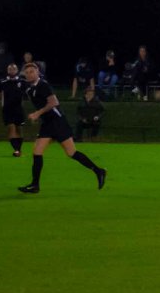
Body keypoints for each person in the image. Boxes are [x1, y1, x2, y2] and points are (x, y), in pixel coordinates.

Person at [15, 62, 106, 196]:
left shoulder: (43, 85)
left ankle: (98, 171)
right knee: (37, 152)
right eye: (27, 72)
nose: (29, 74)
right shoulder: (30, 89)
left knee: (71, 153)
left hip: (58, 122)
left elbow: (54, 102)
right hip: (48, 123)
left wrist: (37, 113)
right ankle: (35, 185)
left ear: (38, 72)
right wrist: (39, 116)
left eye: (32, 72)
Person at [0, 62, 25, 155]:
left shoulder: (22, 82)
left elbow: (31, 93)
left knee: (19, 129)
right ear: (7, 70)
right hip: (7, 109)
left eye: (13, 69)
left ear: (17, 70)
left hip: (18, 109)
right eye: (10, 69)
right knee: (11, 128)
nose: (12, 71)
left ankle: (19, 149)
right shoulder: (2, 82)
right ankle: (16, 150)